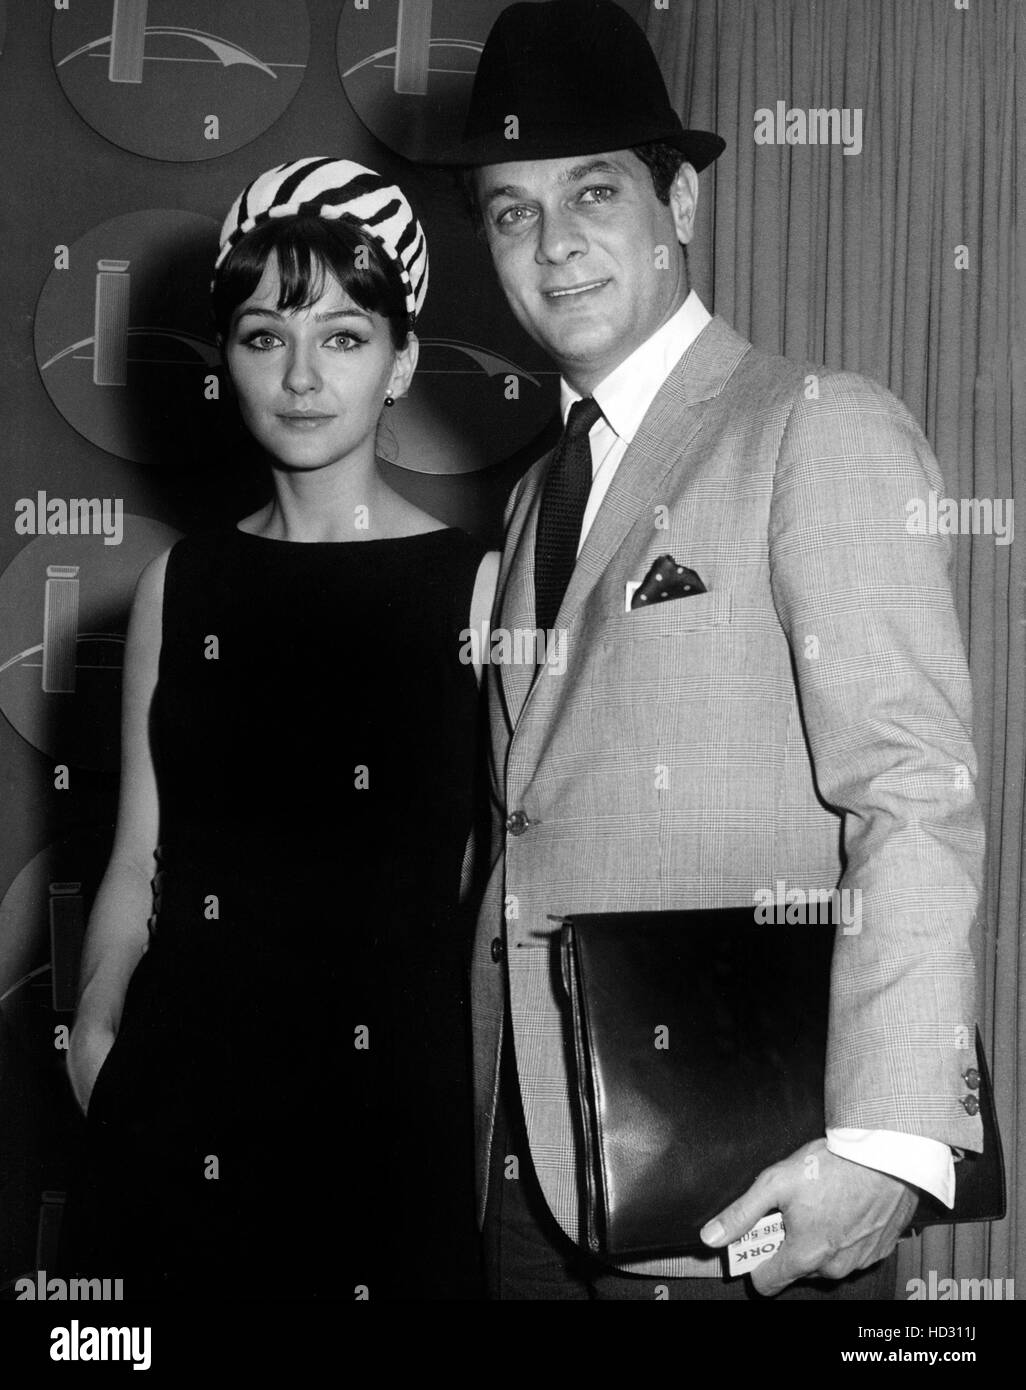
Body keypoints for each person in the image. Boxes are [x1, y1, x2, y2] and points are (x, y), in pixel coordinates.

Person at [452, 0, 985, 1300]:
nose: (554, 242)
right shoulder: (530, 498)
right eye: (511, 210)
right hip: (530, 1168)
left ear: (678, 201)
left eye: (592, 191)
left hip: (748, 1186)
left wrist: (886, 1142)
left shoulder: (815, 423)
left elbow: (912, 789)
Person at [60, 158, 497, 1300]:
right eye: (264, 336)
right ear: (225, 360)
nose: (301, 375)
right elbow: (138, 865)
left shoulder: (484, 592)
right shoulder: (180, 585)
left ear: (401, 360)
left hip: (393, 1133)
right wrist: (98, 1046)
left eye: (344, 337)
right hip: (176, 1122)